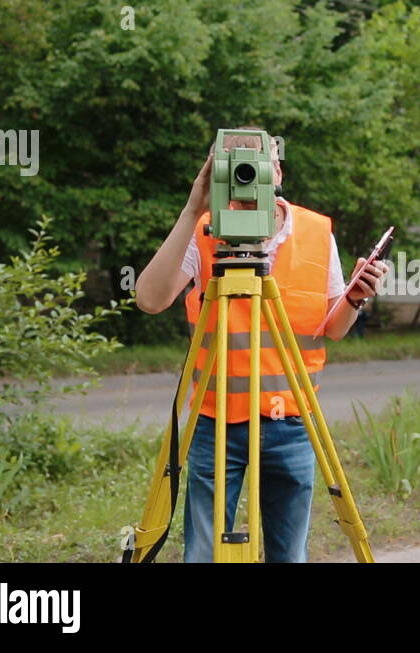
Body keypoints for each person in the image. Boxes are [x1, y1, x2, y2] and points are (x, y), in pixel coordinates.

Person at [134, 127, 388, 562]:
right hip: (215, 422)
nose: (247, 175)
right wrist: (193, 207)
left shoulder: (315, 231)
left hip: (290, 423)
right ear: (215, 176)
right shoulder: (204, 232)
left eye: (257, 164)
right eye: (232, 167)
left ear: (279, 172)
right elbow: (150, 299)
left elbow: (333, 327)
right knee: (204, 556)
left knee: (288, 556)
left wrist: (355, 299)